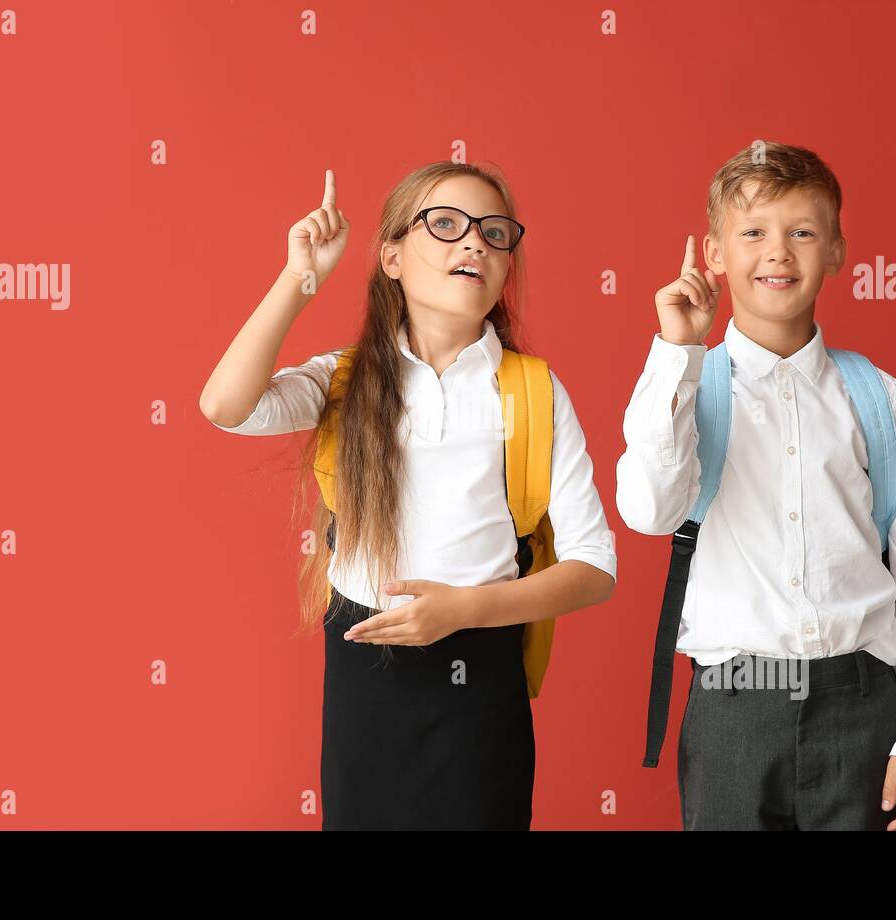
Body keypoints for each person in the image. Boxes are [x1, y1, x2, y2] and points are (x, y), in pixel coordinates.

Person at [200, 163, 617, 830]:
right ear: (391, 256)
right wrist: (299, 277)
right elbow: (225, 406)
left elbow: (595, 569)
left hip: (481, 677)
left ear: (507, 267)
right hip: (366, 676)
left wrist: (466, 609)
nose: (473, 243)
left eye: (494, 233)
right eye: (446, 225)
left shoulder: (532, 392)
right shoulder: (342, 379)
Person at [616, 141, 896, 830]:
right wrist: (677, 354)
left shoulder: (878, 398)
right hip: (732, 709)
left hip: (863, 708)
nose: (777, 253)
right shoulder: (681, 384)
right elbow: (649, 512)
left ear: (836, 252)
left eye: (802, 232)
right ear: (714, 253)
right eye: (752, 232)